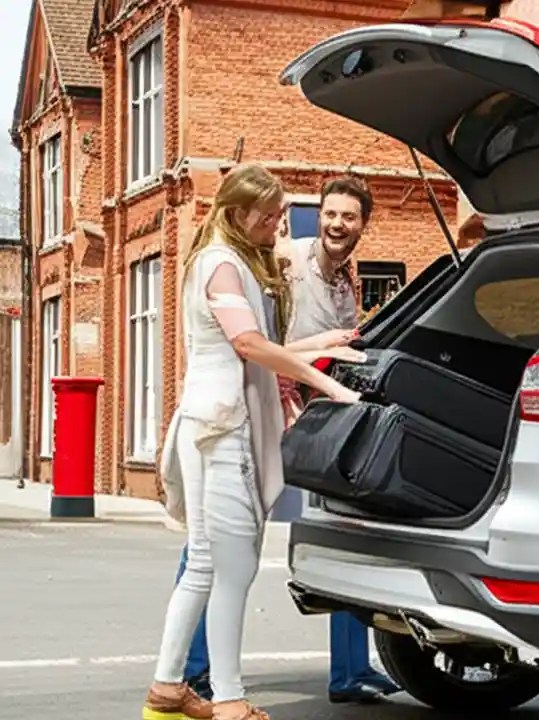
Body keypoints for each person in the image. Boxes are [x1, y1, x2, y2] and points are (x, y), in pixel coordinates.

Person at [143, 164, 362, 720]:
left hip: (214, 424)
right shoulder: (222, 263)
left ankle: (169, 686)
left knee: (204, 567)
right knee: (233, 570)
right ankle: (230, 698)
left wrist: (323, 341)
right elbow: (247, 344)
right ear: (238, 214)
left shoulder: (230, 259)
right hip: (224, 430)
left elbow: (258, 342)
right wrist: (326, 380)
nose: (277, 226)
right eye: (268, 217)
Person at [277, 176, 402, 704]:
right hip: (272, 412)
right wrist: (325, 345)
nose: (336, 224)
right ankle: (193, 669)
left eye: (348, 217)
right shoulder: (290, 265)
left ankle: (349, 672)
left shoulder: (345, 282)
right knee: (222, 545)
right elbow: (267, 346)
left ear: (362, 225)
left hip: (317, 419)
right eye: (330, 213)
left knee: (346, 533)